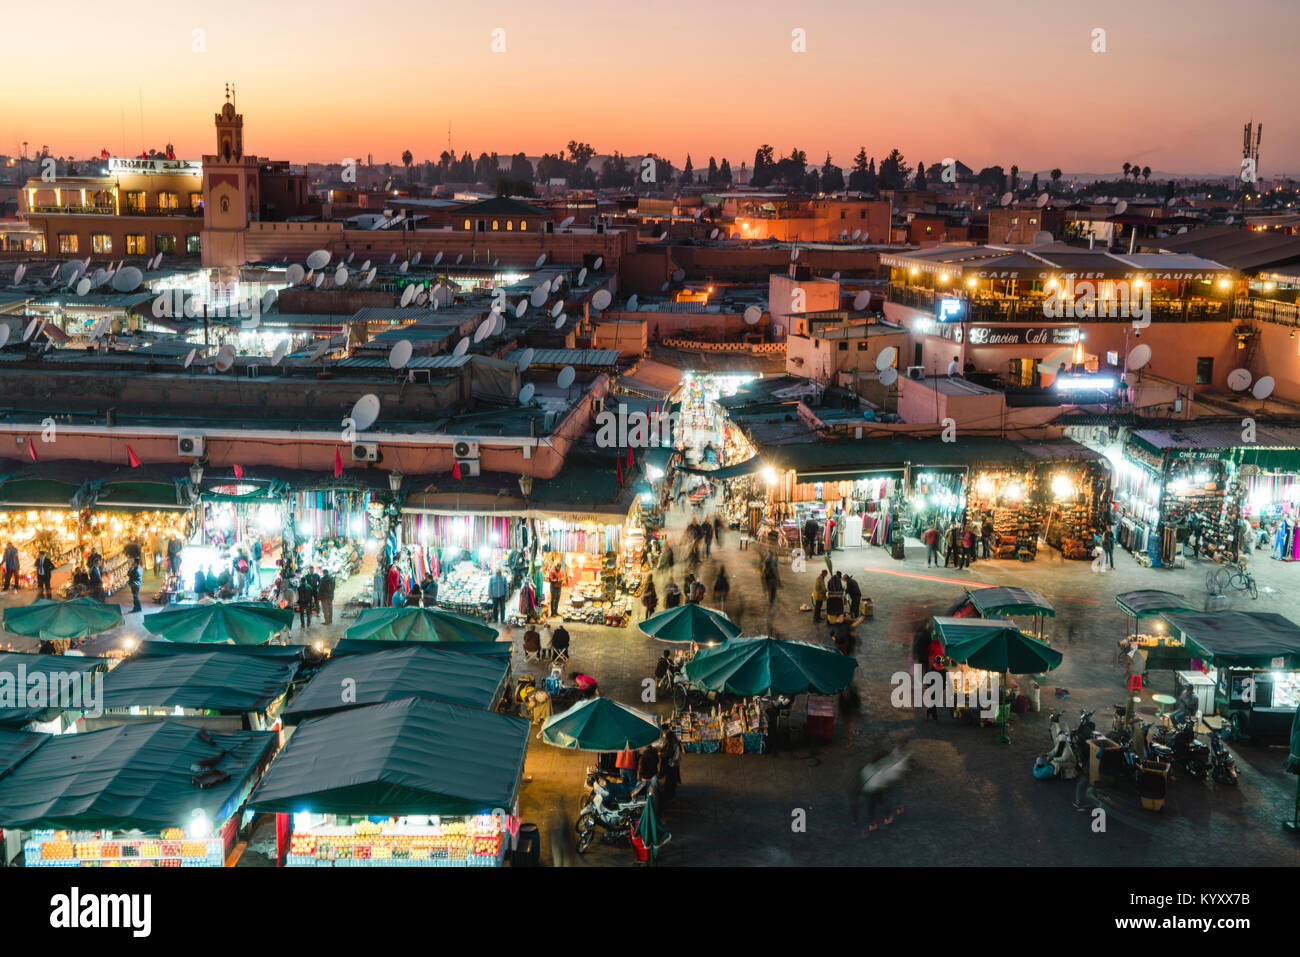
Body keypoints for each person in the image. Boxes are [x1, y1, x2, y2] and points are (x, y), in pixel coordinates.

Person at [659, 723, 683, 802]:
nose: (663, 733)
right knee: (672, 779)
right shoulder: (672, 736)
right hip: (674, 762)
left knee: (670, 779)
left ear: (665, 730)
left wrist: (660, 754)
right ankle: (671, 794)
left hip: (671, 762)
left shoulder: (670, 737)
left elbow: (669, 752)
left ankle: (669, 796)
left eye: (663, 731)